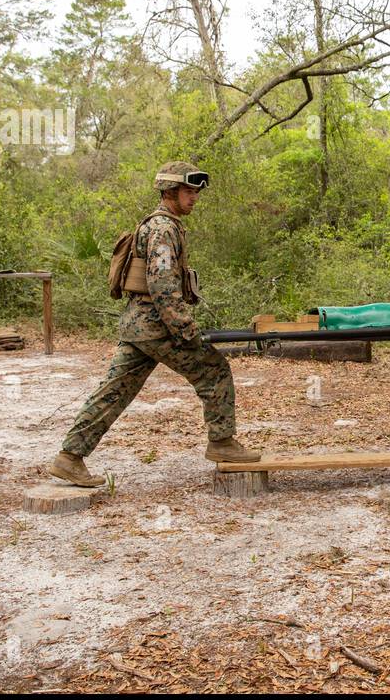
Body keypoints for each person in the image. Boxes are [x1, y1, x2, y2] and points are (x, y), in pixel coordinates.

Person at [48, 161, 260, 487]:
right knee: (214, 370)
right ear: (170, 191)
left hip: (139, 326)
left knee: (114, 391)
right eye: (188, 191)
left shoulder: (159, 224)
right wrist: (185, 330)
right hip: (155, 326)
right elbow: (162, 285)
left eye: (195, 192)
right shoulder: (163, 230)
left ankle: (69, 457)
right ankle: (222, 443)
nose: (194, 198)